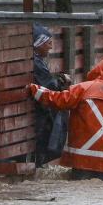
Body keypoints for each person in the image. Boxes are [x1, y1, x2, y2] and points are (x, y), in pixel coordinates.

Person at [26, 52, 103, 182]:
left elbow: (58, 100)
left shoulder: (83, 89)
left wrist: (35, 89)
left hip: (81, 160)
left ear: (97, 70)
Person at [32, 23, 71, 167]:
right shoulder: (36, 63)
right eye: (47, 43)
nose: (50, 47)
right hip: (40, 117)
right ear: (38, 43)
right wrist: (61, 82)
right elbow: (50, 86)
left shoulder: (36, 60)